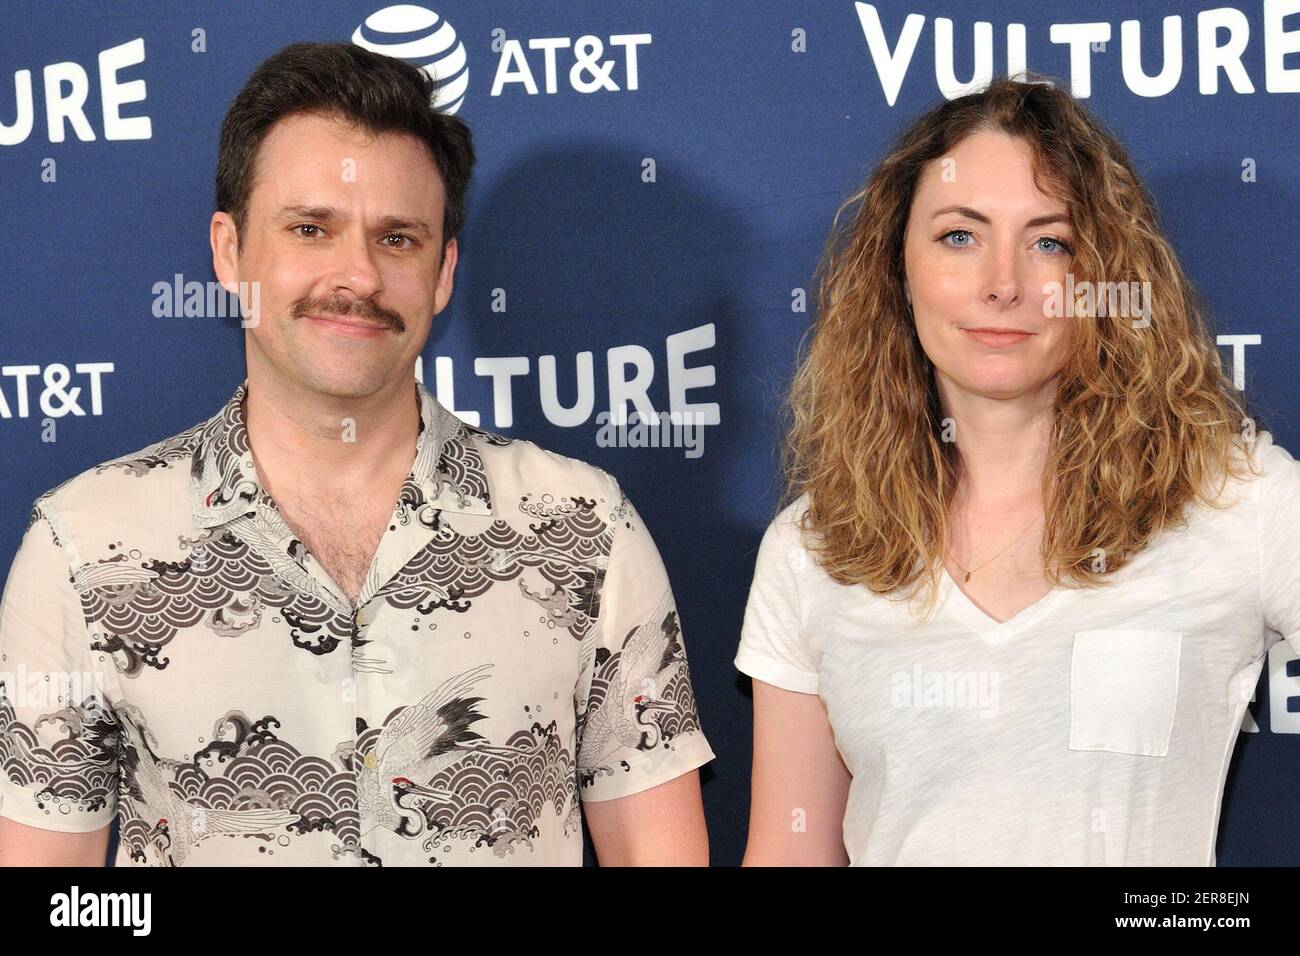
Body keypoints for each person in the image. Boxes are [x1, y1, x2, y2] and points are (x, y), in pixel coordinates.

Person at [0, 42, 714, 867]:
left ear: (444, 272)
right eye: (311, 228)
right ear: (230, 253)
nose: (358, 276)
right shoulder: (84, 548)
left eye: (399, 239)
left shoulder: (586, 531)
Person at [735, 74, 1299, 866]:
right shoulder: (815, 547)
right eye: (960, 236)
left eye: (1049, 242)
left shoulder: (1234, 500)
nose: (1004, 284)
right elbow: (790, 854)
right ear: (898, 269)